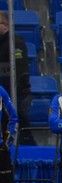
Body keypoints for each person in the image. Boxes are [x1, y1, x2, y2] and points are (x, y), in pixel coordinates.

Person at [0, 14, 32, 147]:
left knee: (19, 122)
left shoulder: (15, 42)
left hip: (17, 91)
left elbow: (18, 69)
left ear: (5, 24)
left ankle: (29, 150)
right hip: (3, 92)